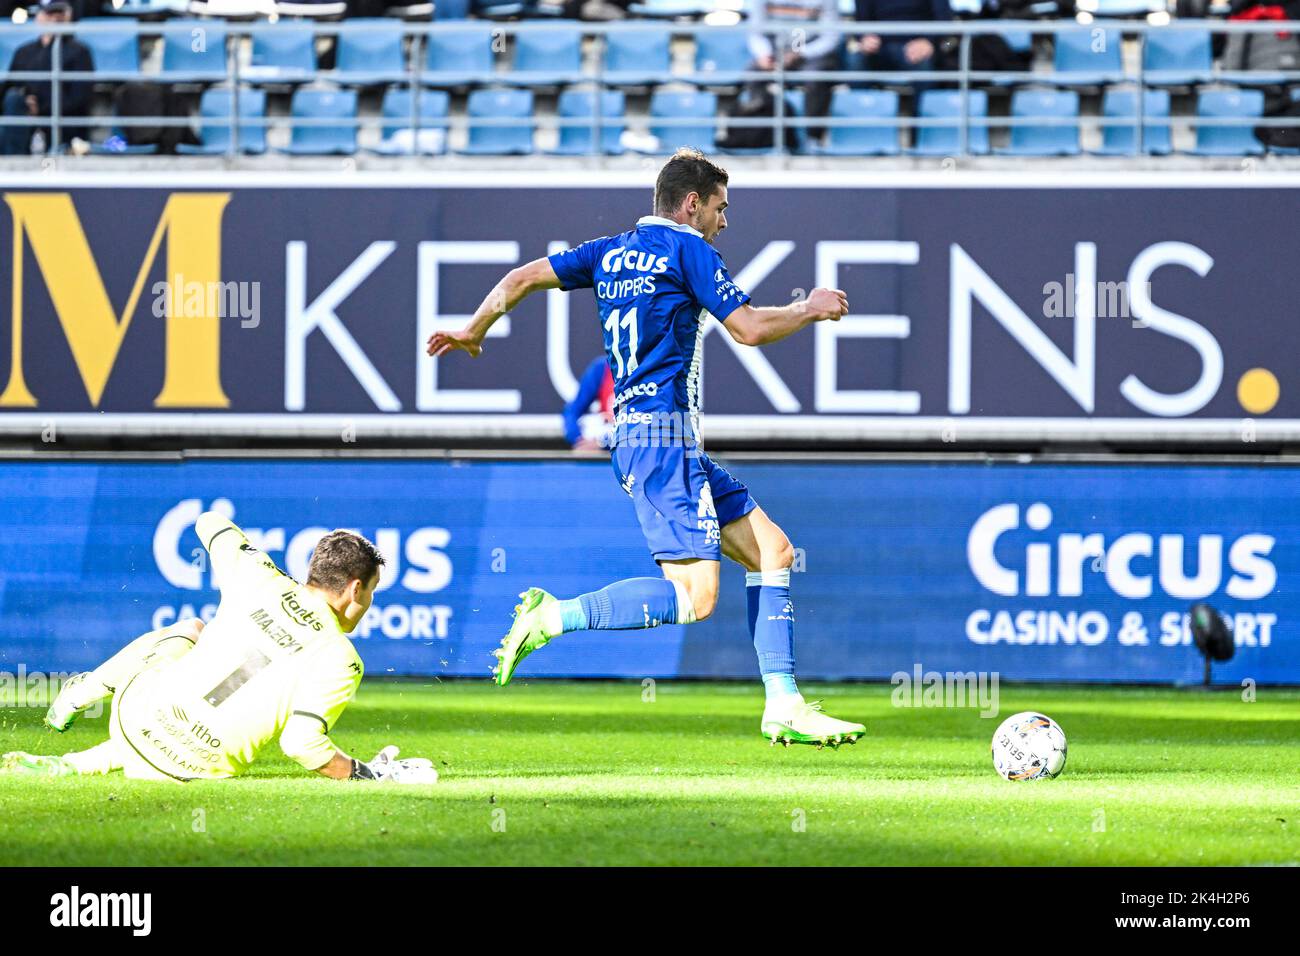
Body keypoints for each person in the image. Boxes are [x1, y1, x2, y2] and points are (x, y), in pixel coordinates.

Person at [427, 147, 866, 748]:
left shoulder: (608, 251)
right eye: (720, 206)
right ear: (692, 204)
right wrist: (810, 309)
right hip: (660, 439)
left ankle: (784, 705)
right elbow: (750, 329)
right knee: (696, 598)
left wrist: (473, 328)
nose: (724, 220)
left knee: (773, 552)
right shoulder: (690, 250)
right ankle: (552, 616)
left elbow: (522, 277)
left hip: (656, 438)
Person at [1, 513, 437, 784]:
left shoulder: (257, 575)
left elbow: (209, 521)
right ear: (356, 589)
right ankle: (80, 760)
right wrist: (368, 773)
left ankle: (82, 699)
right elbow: (303, 746)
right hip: (198, 767)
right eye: (373, 591)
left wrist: (259, 564)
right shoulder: (341, 658)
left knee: (190, 629)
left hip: (133, 721)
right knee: (197, 718)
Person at [0, 1, 94, 154]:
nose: (56, 19)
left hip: (62, 121)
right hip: (23, 119)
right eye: (50, 14)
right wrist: (27, 103)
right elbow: (10, 86)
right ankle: (11, 161)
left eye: (61, 14)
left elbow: (80, 98)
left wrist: (41, 109)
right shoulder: (24, 52)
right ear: (39, 18)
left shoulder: (79, 52)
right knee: (13, 99)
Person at [855, 0, 952, 79]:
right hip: (879, 48)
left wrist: (929, 42)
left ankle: (925, 103)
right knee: (854, 60)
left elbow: (946, 25)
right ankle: (863, 103)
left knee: (922, 62)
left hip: (918, 46)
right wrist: (865, 38)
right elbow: (860, 24)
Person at [564, 355, 615, 452]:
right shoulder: (603, 368)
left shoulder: (648, 370)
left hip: (634, 446)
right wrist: (579, 439)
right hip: (608, 444)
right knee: (583, 452)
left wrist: (603, 443)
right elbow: (572, 410)